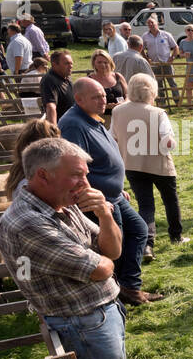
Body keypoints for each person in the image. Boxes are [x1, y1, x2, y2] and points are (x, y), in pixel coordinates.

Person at [0, 138, 180, 359]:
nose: (85, 183)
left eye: (85, 174)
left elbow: (112, 249)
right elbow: (101, 268)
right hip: (82, 324)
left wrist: (108, 214)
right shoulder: (27, 223)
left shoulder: (61, 203)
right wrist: (104, 263)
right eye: (76, 175)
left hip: (100, 313)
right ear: (43, 176)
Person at [60, 78, 159, 305]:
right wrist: (95, 195)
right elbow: (74, 167)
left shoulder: (93, 119)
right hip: (98, 198)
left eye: (103, 95)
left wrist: (119, 186)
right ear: (79, 99)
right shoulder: (73, 125)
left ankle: (129, 287)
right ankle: (115, 293)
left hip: (114, 194)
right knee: (115, 246)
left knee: (139, 230)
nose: (103, 100)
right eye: (96, 97)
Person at [112, 73, 186, 255]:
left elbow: (112, 137)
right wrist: (170, 143)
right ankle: (176, 236)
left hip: (132, 164)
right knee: (170, 200)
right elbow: (168, 141)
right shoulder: (158, 113)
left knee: (145, 205)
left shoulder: (117, 111)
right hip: (159, 164)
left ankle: (147, 245)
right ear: (151, 91)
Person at [40, 49, 76, 125]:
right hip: (63, 125)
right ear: (54, 64)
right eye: (66, 64)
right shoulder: (49, 80)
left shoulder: (66, 77)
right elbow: (51, 106)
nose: (71, 66)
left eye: (71, 63)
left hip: (73, 122)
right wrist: (54, 129)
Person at [89, 50, 127, 117]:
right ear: (94, 63)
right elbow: (87, 102)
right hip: (100, 118)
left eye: (106, 62)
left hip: (121, 116)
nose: (103, 65)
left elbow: (128, 95)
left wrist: (123, 103)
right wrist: (106, 106)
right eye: (99, 62)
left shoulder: (118, 76)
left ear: (110, 63)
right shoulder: (89, 80)